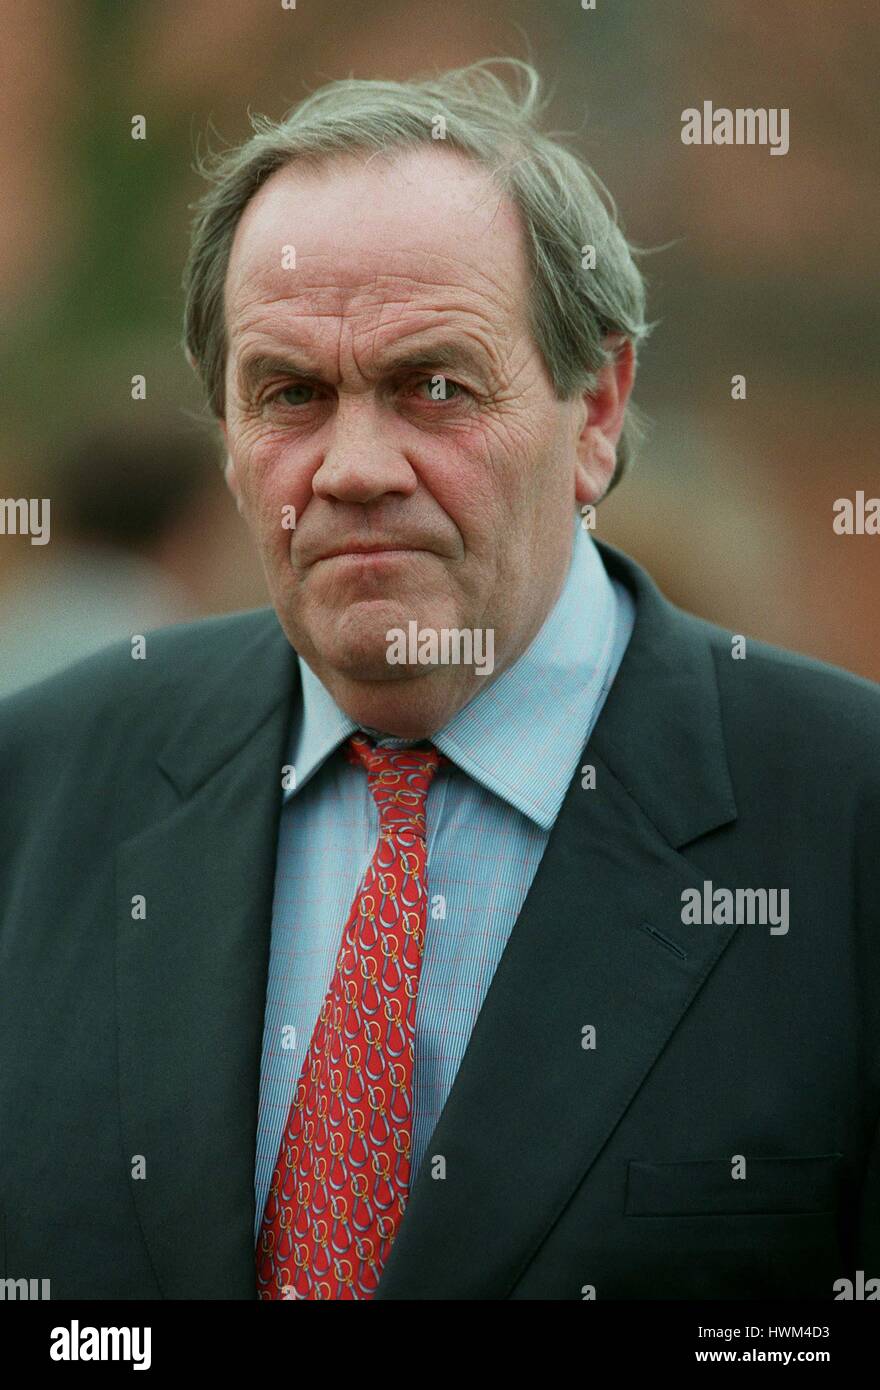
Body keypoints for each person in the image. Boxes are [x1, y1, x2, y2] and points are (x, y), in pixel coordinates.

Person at [1, 59, 877, 1301]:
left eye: (435, 386)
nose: (356, 466)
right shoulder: (38, 790)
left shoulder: (842, 819)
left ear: (598, 412)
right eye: (290, 393)